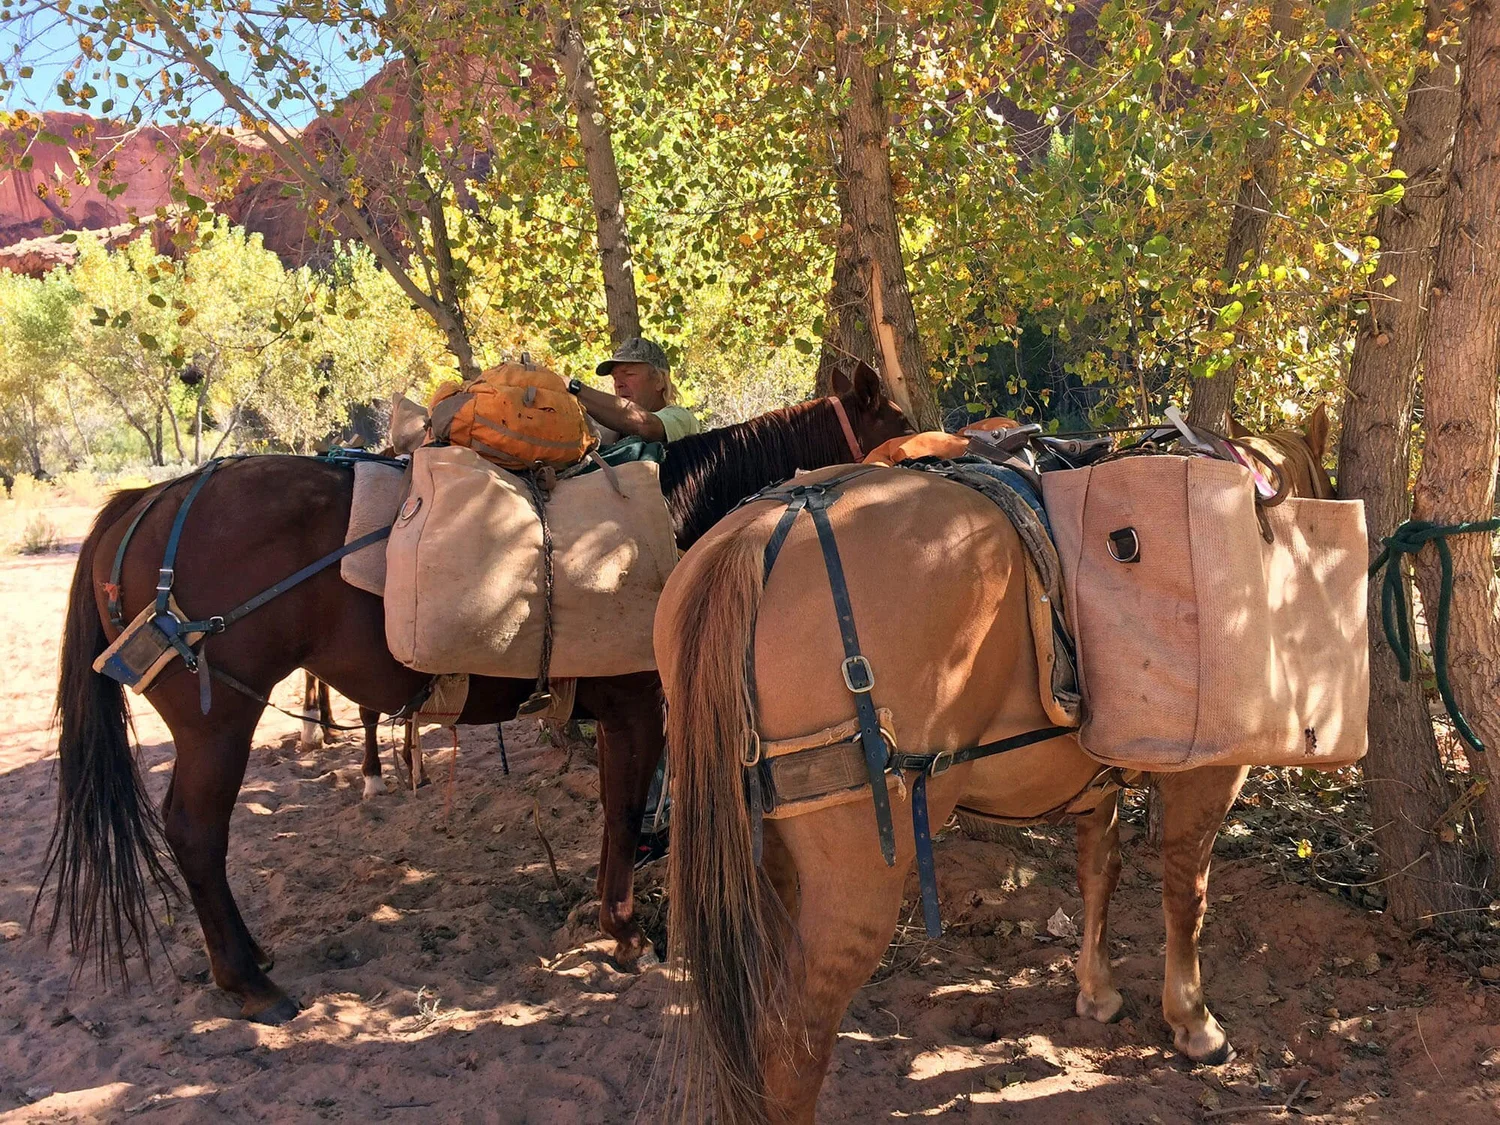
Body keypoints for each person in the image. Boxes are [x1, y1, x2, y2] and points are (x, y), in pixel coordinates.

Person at [566, 336, 700, 445]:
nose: (618, 384)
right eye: (615, 378)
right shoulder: (609, 426)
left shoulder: (681, 418)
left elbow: (644, 424)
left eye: (629, 374)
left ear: (659, 381)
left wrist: (574, 388)